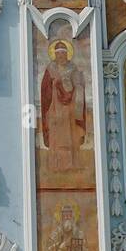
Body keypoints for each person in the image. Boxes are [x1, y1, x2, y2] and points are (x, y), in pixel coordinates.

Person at [40, 38, 86, 174]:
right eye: (58, 53)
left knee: (71, 136)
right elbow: (44, 89)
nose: (61, 56)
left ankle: (72, 164)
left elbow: (79, 85)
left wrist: (75, 86)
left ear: (67, 54)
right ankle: (56, 165)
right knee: (57, 136)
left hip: (69, 109)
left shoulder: (73, 68)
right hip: (54, 107)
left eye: (63, 53)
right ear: (54, 54)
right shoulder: (50, 69)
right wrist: (54, 85)